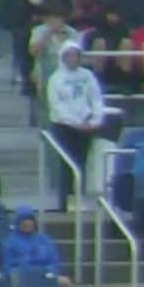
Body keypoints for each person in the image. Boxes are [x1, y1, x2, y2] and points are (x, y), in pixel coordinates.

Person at [47, 41, 105, 212]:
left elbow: (96, 99)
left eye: (76, 55)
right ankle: (65, 203)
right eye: (70, 55)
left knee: (82, 164)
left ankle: (81, 200)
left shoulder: (87, 75)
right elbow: (56, 106)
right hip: (64, 126)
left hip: (86, 125)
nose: (73, 59)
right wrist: (75, 123)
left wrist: (95, 120)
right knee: (67, 165)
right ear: (63, 57)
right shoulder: (56, 78)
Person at [0, 207, 62, 282]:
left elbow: (53, 262)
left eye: (30, 220)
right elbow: (7, 268)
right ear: (17, 222)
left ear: (34, 222)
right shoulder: (9, 242)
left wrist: (47, 272)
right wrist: (28, 273)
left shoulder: (44, 240)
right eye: (23, 220)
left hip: (44, 275)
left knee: (64, 282)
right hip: (22, 278)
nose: (27, 222)